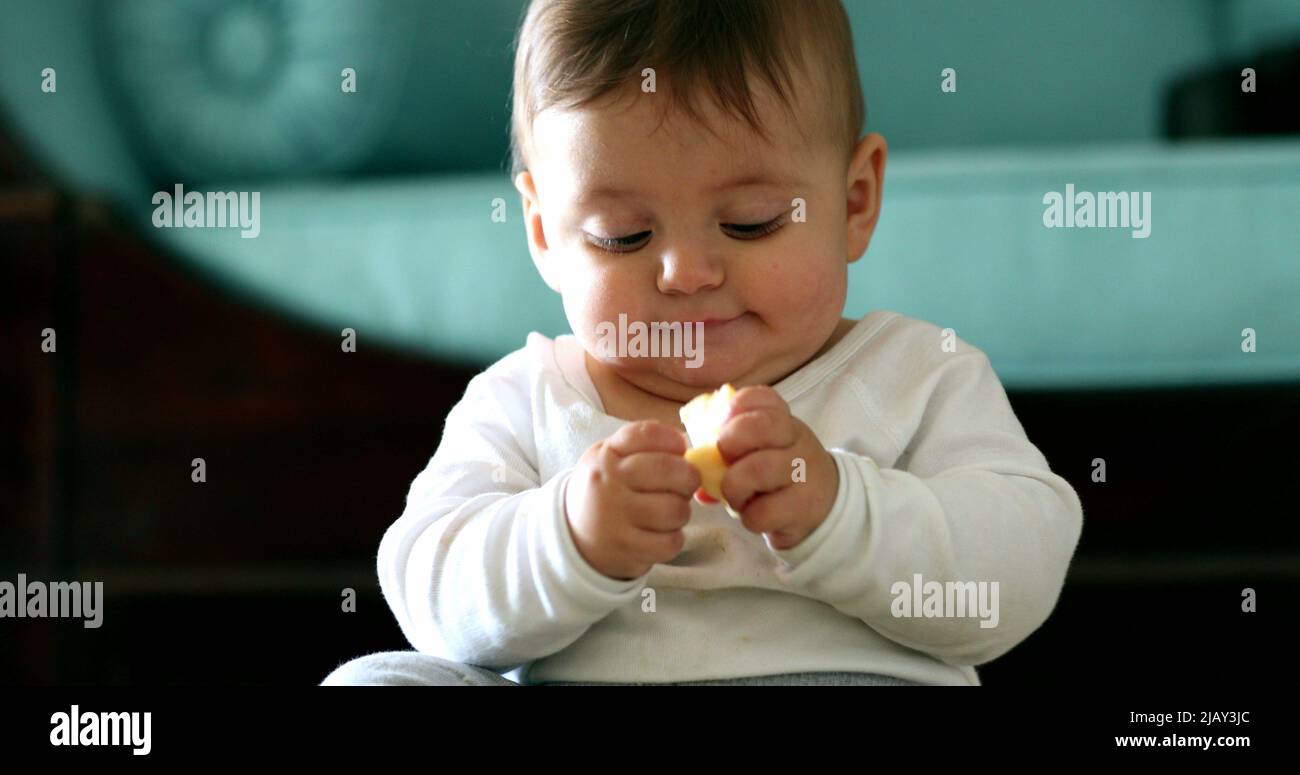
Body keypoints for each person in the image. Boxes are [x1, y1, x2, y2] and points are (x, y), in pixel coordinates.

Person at [322, 0, 1083, 687]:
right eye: (622, 236)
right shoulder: (525, 401)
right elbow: (429, 583)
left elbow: (1015, 570)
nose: (685, 274)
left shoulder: (917, 376)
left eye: (750, 221)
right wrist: (567, 539)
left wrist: (843, 511)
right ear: (546, 235)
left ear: (854, 203)